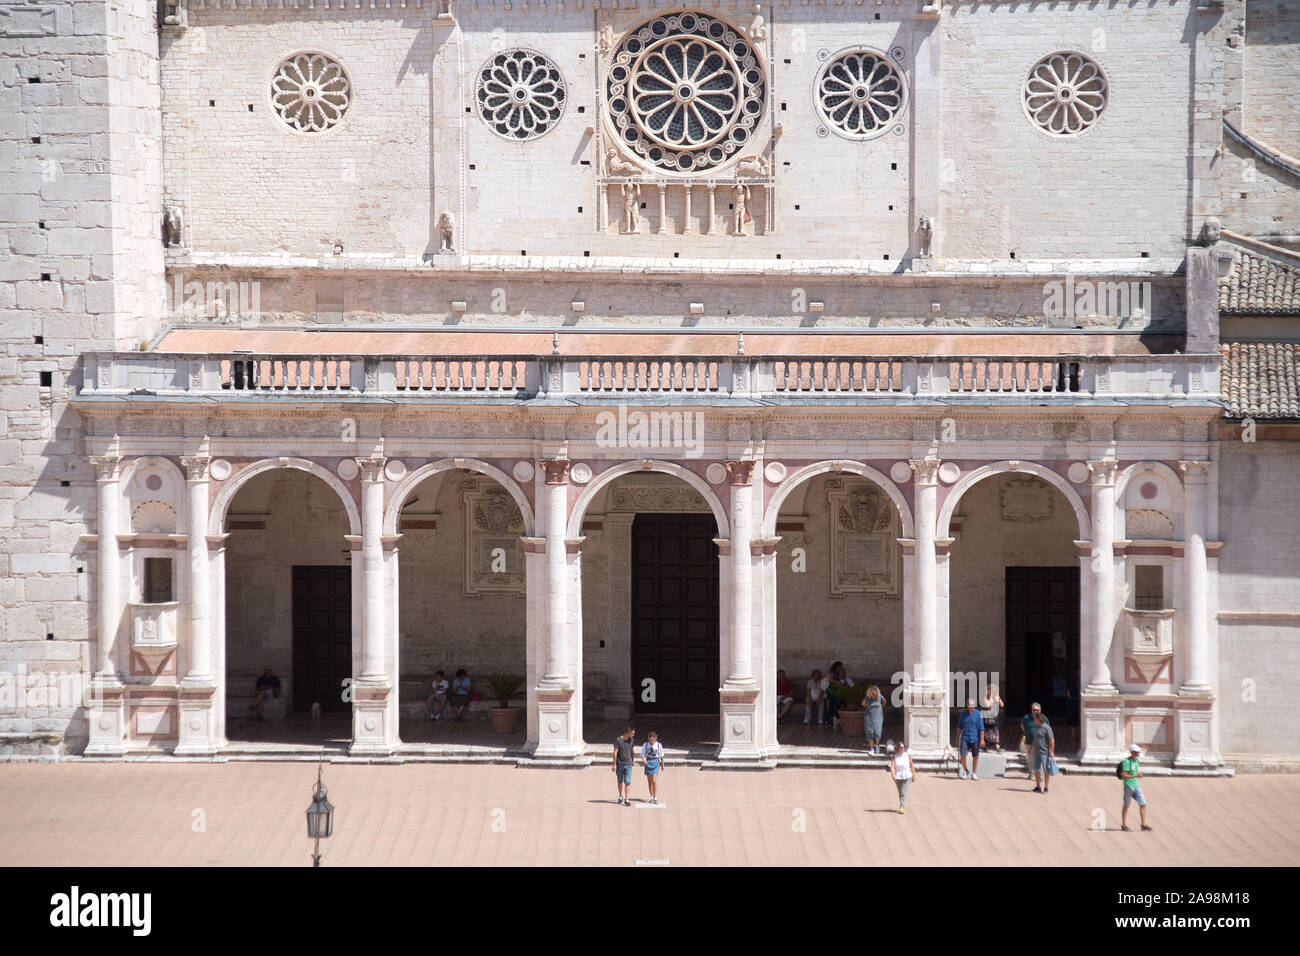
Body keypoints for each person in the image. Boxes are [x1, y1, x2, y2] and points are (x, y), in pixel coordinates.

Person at [1121, 743, 1153, 831]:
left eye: (1138, 752)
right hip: (1128, 785)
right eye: (1136, 752)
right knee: (1126, 805)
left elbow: (1135, 773)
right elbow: (1124, 776)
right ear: (1132, 752)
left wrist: (1136, 776)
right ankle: (1124, 825)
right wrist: (1135, 776)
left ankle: (1143, 824)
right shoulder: (1127, 762)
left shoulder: (1136, 761)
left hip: (1136, 785)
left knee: (1143, 804)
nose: (1138, 753)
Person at [956, 699, 985, 779]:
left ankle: (974, 773)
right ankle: (965, 770)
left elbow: (981, 728)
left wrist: (982, 739)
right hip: (965, 737)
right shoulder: (962, 714)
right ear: (967, 705)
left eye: (972, 706)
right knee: (963, 754)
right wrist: (956, 738)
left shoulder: (978, 714)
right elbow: (959, 727)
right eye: (969, 706)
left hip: (975, 738)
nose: (971, 707)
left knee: (975, 756)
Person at [889, 740, 917, 814]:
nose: (903, 749)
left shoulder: (907, 755)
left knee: (903, 791)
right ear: (898, 749)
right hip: (898, 776)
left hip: (907, 776)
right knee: (900, 792)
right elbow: (892, 767)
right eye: (901, 748)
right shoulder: (894, 757)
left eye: (903, 747)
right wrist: (893, 775)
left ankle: (902, 807)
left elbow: (912, 765)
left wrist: (914, 775)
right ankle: (902, 805)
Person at [1032, 711, 1055, 794]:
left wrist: (1051, 751)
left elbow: (1052, 740)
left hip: (1044, 752)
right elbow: (1035, 739)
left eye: (1035, 719)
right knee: (1036, 769)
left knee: (1046, 770)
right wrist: (1031, 748)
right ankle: (1038, 786)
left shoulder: (1047, 728)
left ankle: (1046, 787)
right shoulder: (1036, 727)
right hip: (1036, 752)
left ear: (1038, 719)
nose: (1034, 720)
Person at [825, 661, 855, 727]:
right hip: (835, 695)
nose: (842, 674)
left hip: (845, 696)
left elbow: (853, 688)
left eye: (843, 672)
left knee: (836, 701)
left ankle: (833, 718)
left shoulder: (847, 679)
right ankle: (833, 718)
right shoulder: (834, 678)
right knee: (833, 701)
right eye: (841, 672)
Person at [614, 726, 636, 806]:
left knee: (627, 782)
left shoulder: (632, 740)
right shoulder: (618, 740)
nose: (633, 735)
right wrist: (614, 764)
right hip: (620, 764)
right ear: (628, 732)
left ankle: (627, 799)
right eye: (632, 734)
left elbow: (632, 751)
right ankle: (620, 796)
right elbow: (615, 752)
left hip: (628, 764)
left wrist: (632, 760)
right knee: (620, 781)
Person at [641, 730, 665, 805]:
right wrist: (644, 760)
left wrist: (662, 764)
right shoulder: (645, 745)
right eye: (650, 740)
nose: (651, 742)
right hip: (648, 762)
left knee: (654, 781)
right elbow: (642, 754)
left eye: (653, 740)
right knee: (649, 781)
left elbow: (661, 755)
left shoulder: (658, 745)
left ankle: (655, 796)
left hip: (655, 762)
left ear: (655, 739)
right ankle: (651, 796)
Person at [1020, 702, 1042, 778]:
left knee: (1040, 759)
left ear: (1040, 710)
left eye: (1037, 710)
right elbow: (1022, 725)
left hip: (1040, 742)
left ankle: (1040, 776)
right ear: (1031, 710)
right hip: (1029, 741)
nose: (1035, 711)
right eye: (1034, 710)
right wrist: (1026, 732)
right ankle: (1031, 772)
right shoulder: (1027, 718)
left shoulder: (1043, 718)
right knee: (1030, 759)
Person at [981, 685, 1005, 752]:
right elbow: (987, 706)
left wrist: (999, 699)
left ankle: (997, 746)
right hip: (987, 718)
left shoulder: (996, 698)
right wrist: (991, 698)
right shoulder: (985, 698)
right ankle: (984, 746)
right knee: (987, 732)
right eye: (994, 691)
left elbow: (1002, 705)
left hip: (995, 718)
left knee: (995, 732)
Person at [864, 685, 885, 754]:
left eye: (875, 694)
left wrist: (880, 709)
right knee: (870, 732)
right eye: (872, 694)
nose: (874, 695)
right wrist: (868, 708)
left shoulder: (880, 697)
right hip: (869, 717)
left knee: (877, 732)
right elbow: (863, 704)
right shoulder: (867, 698)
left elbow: (884, 702)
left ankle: (877, 746)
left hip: (878, 717)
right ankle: (871, 748)